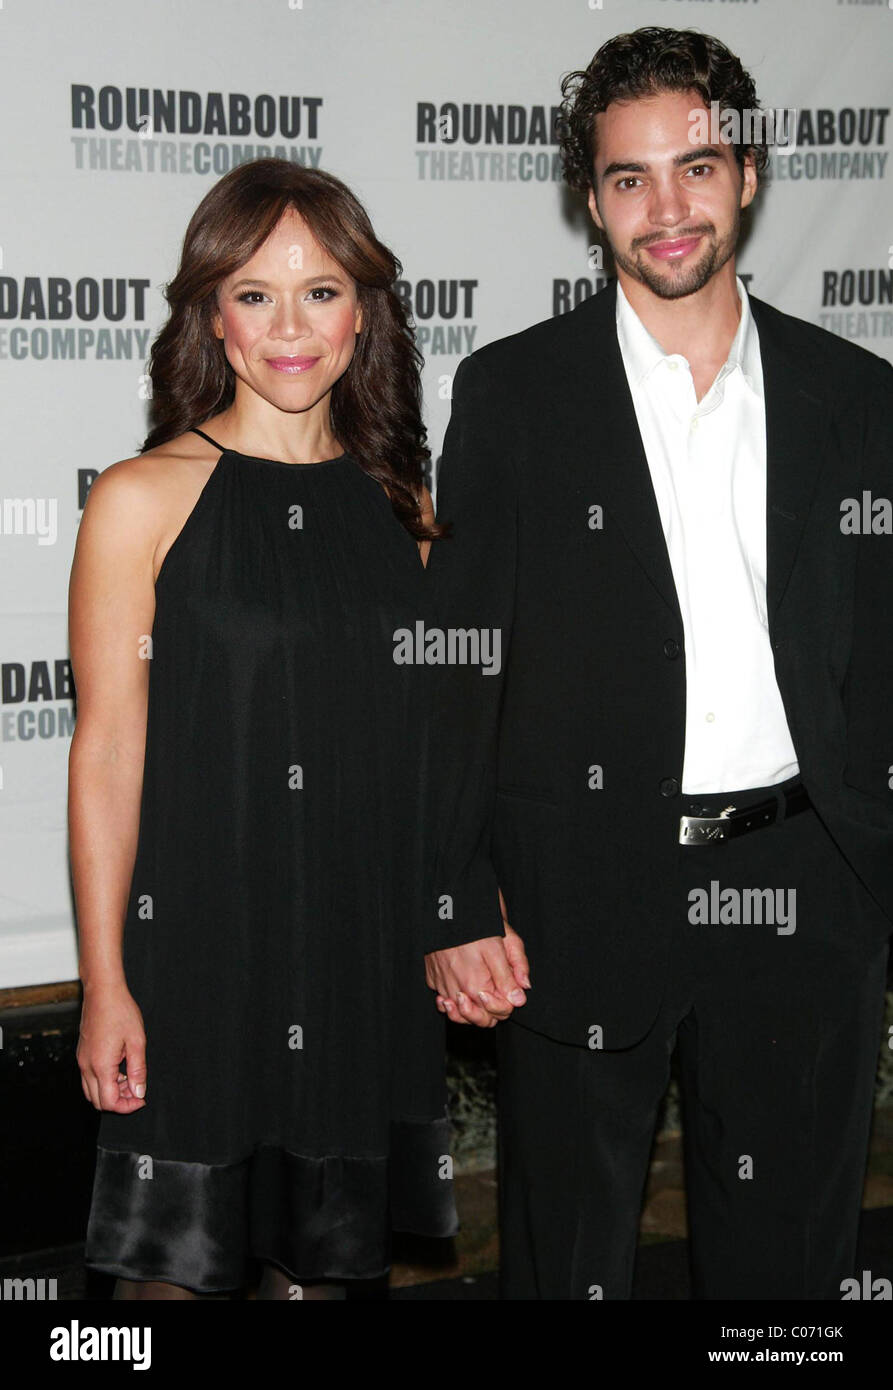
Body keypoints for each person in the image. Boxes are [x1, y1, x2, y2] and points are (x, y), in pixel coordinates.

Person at [423, 26, 893, 1299]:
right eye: (629, 178)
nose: (665, 208)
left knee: (789, 1268)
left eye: (693, 167)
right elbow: (457, 667)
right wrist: (454, 897)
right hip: (576, 888)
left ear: (747, 170)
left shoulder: (854, 397)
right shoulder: (514, 397)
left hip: (801, 885)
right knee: (564, 1261)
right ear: (591, 199)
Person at [70, 157, 456, 1300]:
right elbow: (107, 755)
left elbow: (433, 758)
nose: (290, 326)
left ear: (363, 311)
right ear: (213, 316)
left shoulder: (407, 516)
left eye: (321, 290)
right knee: (170, 1280)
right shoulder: (140, 499)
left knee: (329, 1279)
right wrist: (106, 981)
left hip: (357, 962)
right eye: (254, 293)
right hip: (194, 963)